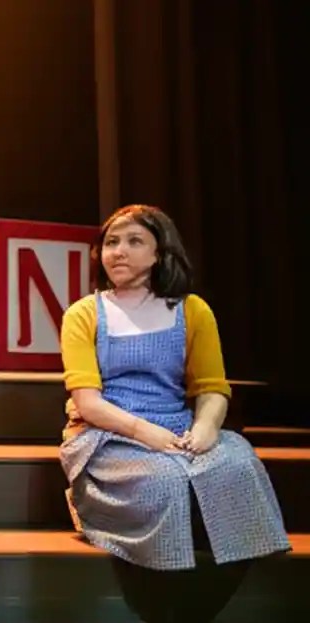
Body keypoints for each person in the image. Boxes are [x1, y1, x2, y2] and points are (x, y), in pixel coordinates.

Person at [59, 204, 289, 574]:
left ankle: (241, 572)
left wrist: (205, 429)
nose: (118, 251)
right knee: (162, 478)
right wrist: (143, 431)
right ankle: (155, 572)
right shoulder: (84, 314)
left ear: (158, 254)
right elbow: (87, 402)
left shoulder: (193, 311)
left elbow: (212, 388)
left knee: (237, 464)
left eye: (134, 241)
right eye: (111, 242)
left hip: (176, 424)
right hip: (107, 432)